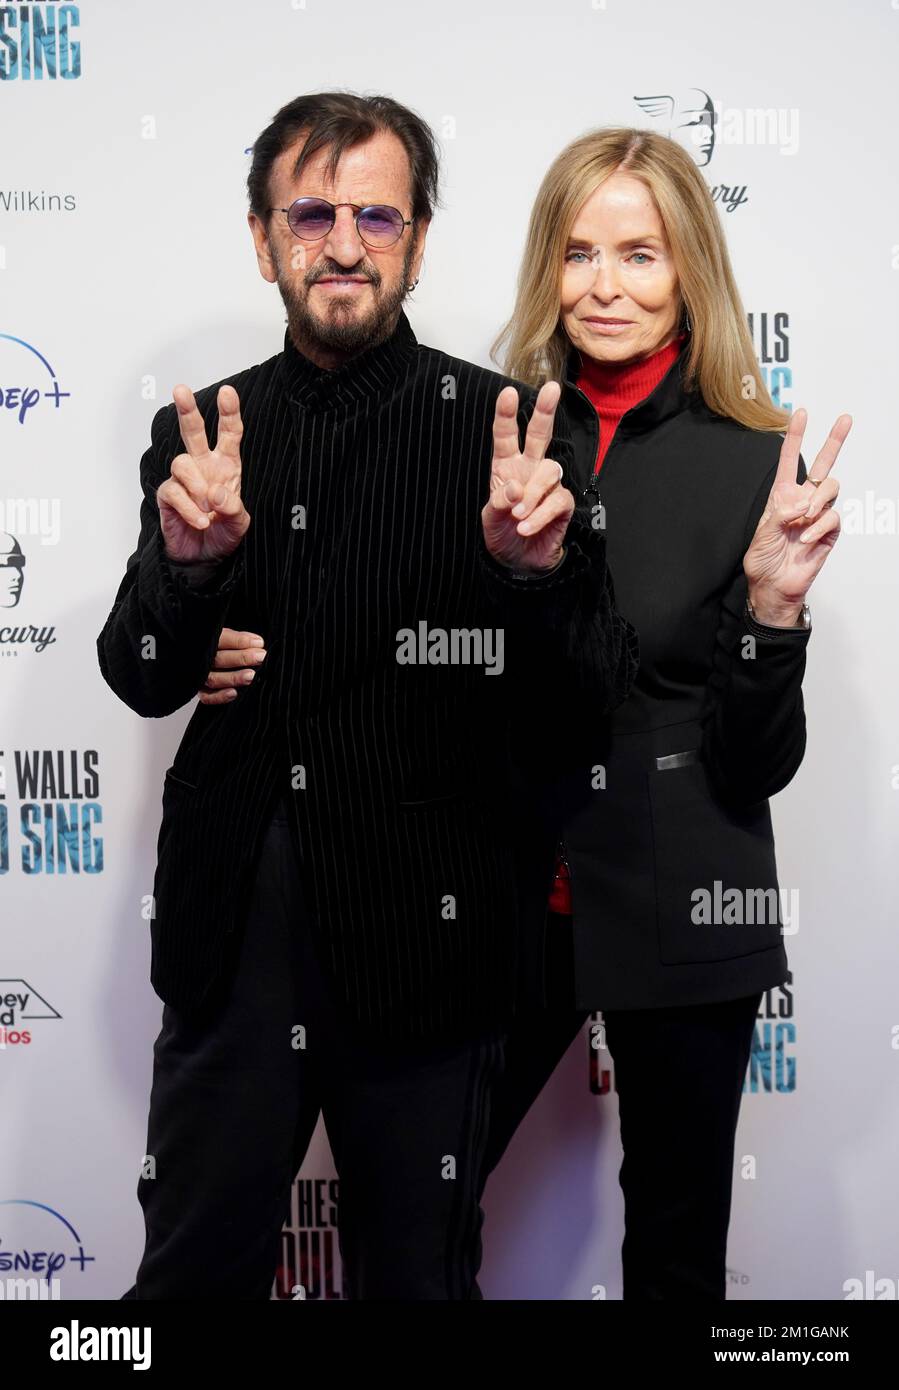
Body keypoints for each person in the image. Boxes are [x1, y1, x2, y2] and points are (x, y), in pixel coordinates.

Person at [96, 92, 637, 1300]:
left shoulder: (505, 437)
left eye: (376, 215)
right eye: (312, 213)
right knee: (187, 1277)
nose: (343, 243)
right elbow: (138, 673)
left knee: (416, 1281)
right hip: (232, 945)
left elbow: (584, 703)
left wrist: (526, 575)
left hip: (427, 954)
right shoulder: (201, 434)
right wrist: (186, 581)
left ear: (420, 236)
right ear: (260, 236)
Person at [477, 126, 849, 1300]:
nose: (603, 285)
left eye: (638, 254)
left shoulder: (751, 463)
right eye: (578, 251)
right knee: (416, 1199)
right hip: (499, 894)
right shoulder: (490, 440)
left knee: (675, 1251)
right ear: (547, 266)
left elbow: (754, 762)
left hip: (688, 898)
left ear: (688, 267)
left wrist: (774, 614)